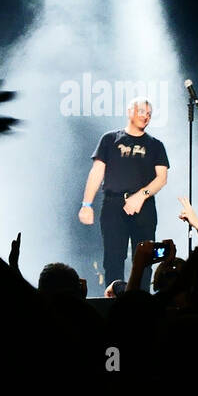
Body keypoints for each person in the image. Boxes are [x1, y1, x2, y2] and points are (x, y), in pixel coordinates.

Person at [78, 97, 169, 291]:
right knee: (113, 258)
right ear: (130, 112)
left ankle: (142, 300)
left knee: (144, 258)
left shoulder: (156, 145)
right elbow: (97, 172)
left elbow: (161, 178)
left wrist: (140, 196)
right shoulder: (110, 139)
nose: (146, 117)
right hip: (113, 204)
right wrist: (87, 204)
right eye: (142, 111)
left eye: (149, 114)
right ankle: (114, 301)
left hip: (144, 207)